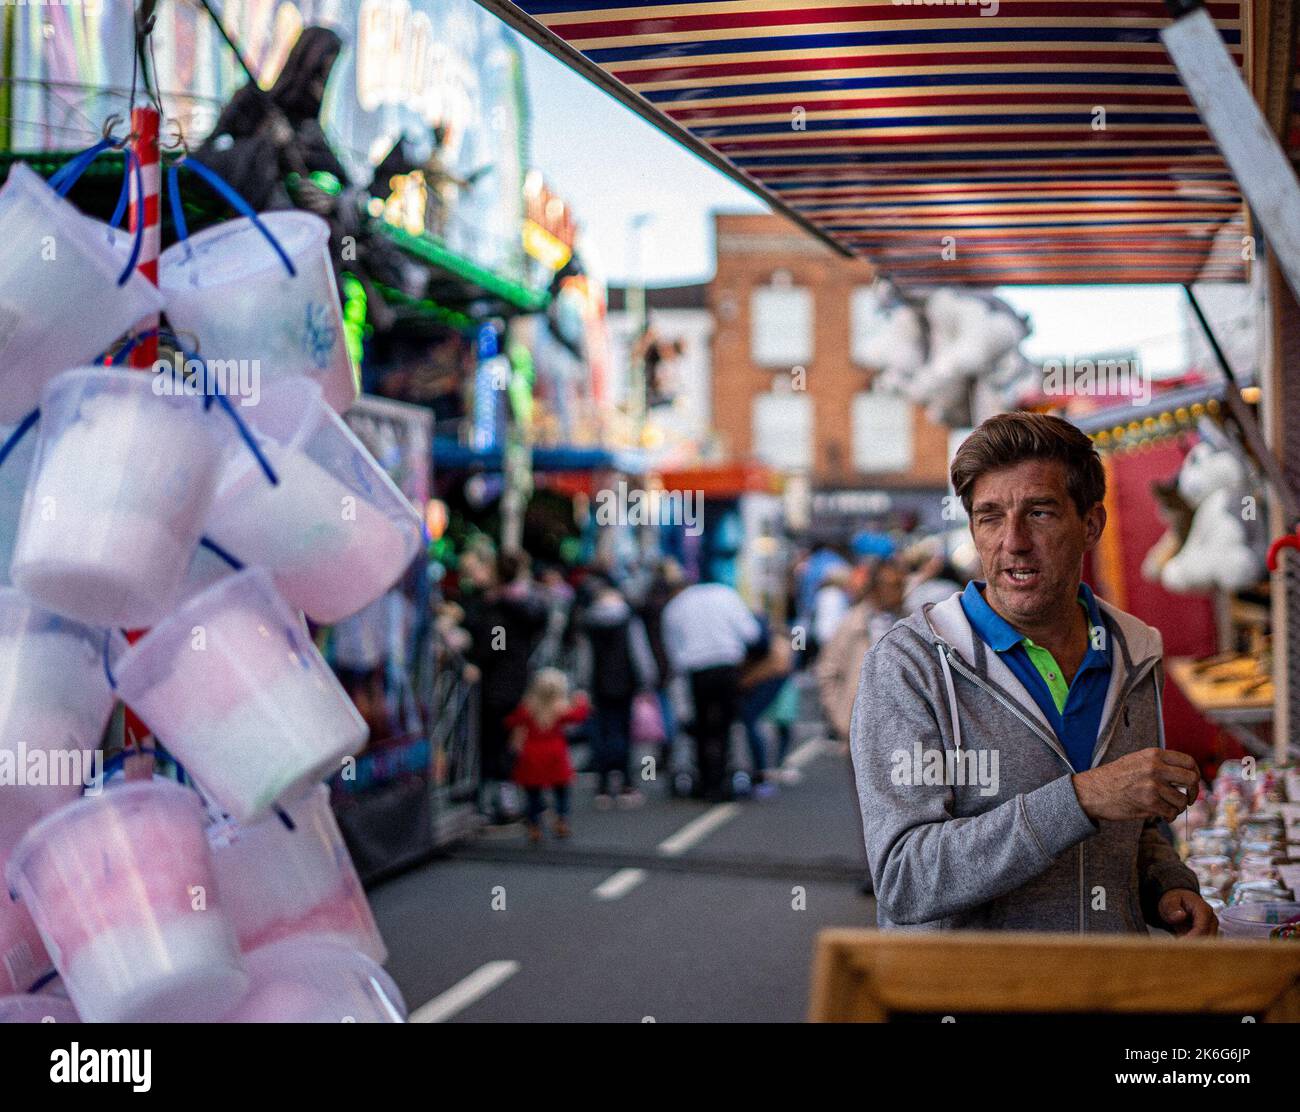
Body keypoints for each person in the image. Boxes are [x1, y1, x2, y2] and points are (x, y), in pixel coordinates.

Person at [851, 413, 1213, 934]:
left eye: (1039, 513)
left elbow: (1138, 821)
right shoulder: (912, 664)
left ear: (1091, 524)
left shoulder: (1135, 651)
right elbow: (907, 880)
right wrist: (1082, 797)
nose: (1013, 541)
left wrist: (1168, 883)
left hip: (1113, 993)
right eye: (990, 516)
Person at [463, 551, 548, 825]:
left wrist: (478, 658)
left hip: (496, 682)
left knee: (494, 740)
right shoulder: (526, 604)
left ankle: (494, 798)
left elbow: (493, 645)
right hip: (515, 680)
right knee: (512, 739)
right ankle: (509, 796)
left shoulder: (496, 607)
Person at [662, 578, 762, 802]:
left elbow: (672, 647)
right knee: (726, 725)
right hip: (727, 664)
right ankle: (726, 777)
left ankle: (706, 780)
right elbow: (751, 633)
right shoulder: (728, 596)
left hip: (696, 669)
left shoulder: (678, 604)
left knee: (701, 726)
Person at [580, 578, 659, 807]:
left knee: (601, 733)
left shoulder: (590, 621)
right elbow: (640, 652)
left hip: (598, 685)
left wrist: (585, 685)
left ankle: (603, 786)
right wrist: (646, 681)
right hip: (625, 684)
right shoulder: (628, 620)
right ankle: (626, 783)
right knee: (624, 733)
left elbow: (585, 658)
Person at [816, 560, 905, 745]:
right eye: (892, 585)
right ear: (876, 587)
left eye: (900, 584)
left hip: (902, 727)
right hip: (860, 725)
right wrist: (842, 720)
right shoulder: (852, 623)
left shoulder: (912, 621)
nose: (899, 592)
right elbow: (827, 671)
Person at [506, 669, 589, 844]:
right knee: (561, 790)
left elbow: (510, 721)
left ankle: (534, 826)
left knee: (533, 794)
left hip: (531, 755)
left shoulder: (527, 708)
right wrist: (581, 701)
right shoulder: (560, 709)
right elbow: (579, 716)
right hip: (555, 755)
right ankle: (561, 819)